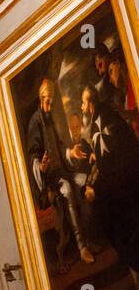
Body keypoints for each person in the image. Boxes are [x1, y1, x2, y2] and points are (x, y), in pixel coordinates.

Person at [24, 79, 92, 270]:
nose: (50, 105)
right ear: (40, 98)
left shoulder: (50, 119)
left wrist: (71, 153)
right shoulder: (34, 122)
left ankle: (89, 236)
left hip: (64, 170)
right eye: (47, 101)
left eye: (52, 101)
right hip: (51, 180)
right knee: (69, 190)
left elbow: (61, 148)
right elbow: (32, 155)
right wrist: (41, 166)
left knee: (85, 181)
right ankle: (82, 246)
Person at [81, 87, 139, 290]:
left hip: (129, 191)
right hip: (125, 186)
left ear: (92, 105)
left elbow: (115, 168)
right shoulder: (102, 121)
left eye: (84, 103)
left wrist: (96, 190)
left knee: (127, 235)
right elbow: (107, 158)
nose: (82, 107)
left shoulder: (106, 126)